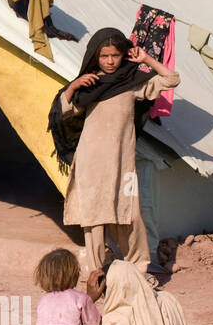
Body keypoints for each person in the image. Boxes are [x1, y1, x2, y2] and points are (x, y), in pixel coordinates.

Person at [51, 27, 179, 284]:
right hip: (91, 162)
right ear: (95, 57)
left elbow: (171, 79)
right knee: (94, 220)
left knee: (128, 216)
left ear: (123, 55)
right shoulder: (90, 84)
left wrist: (146, 59)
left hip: (121, 163)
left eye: (115, 56)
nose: (109, 61)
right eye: (104, 56)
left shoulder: (130, 83)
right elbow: (61, 111)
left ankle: (139, 272)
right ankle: (96, 276)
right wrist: (74, 85)